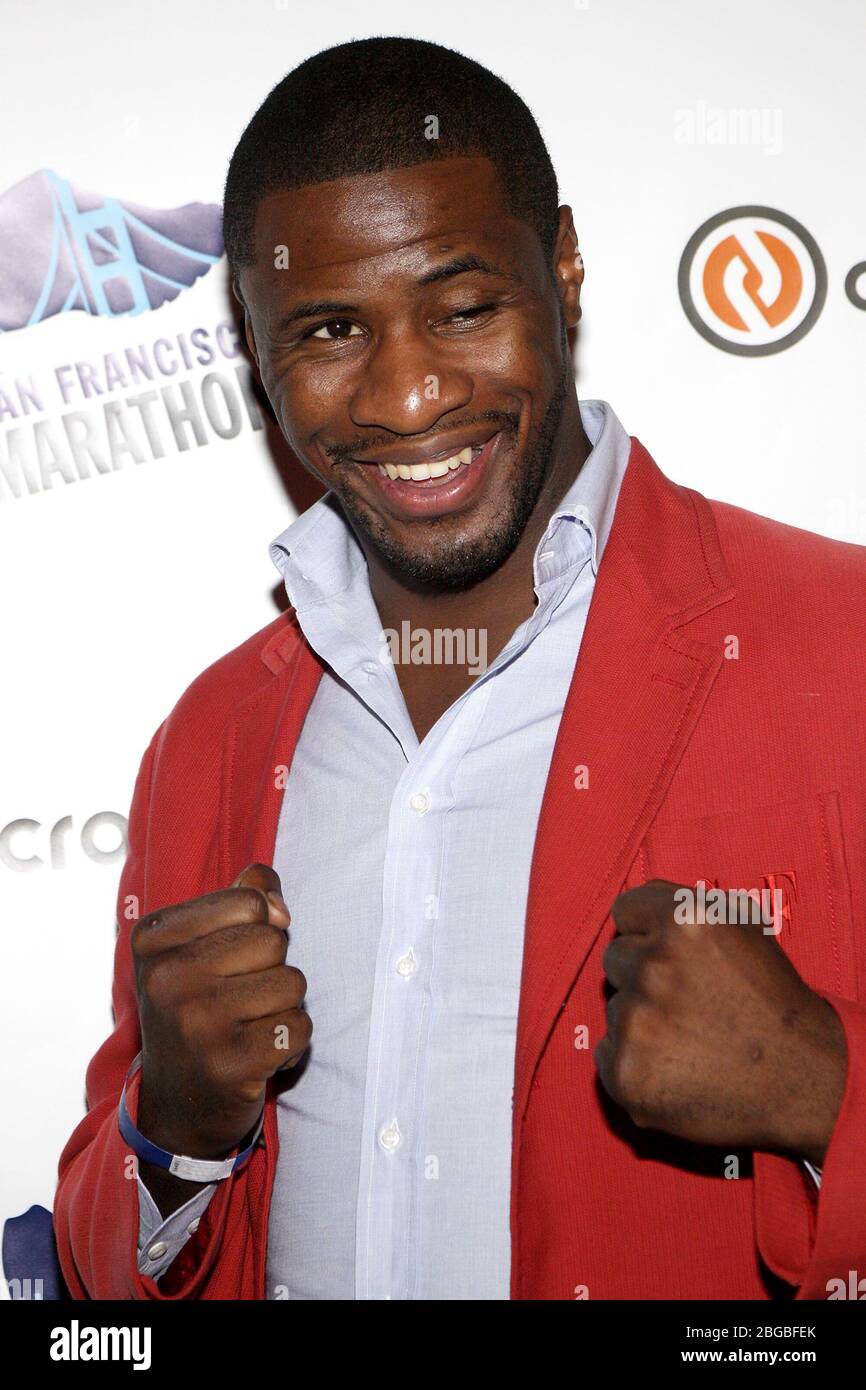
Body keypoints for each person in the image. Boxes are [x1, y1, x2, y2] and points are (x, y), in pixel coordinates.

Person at [54, 35, 866, 1300]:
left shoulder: (841, 645)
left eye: (464, 306)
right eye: (329, 330)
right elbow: (104, 1281)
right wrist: (175, 1139)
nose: (410, 393)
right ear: (256, 359)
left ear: (566, 269)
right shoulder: (210, 734)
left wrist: (827, 1094)